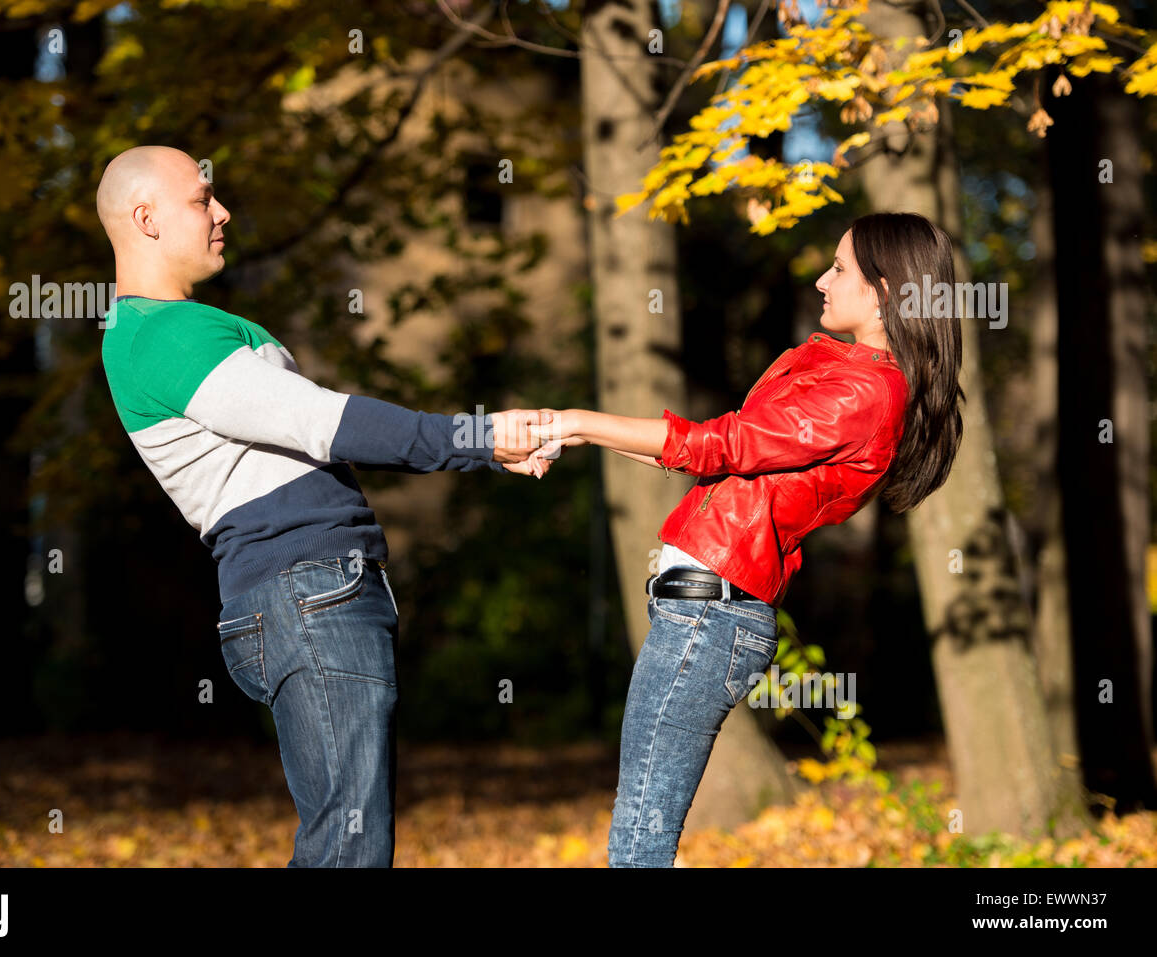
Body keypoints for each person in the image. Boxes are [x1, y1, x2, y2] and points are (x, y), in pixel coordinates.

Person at [95, 145, 545, 867]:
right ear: (145, 218)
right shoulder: (160, 333)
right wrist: (479, 437)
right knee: (349, 847)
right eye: (201, 199)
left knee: (347, 839)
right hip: (307, 591)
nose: (222, 212)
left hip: (310, 592)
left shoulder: (178, 328)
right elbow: (325, 422)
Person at [531, 212, 965, 867]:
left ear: (883, 290)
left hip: (709, 616)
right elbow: (714, 452)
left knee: (639, 848)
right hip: (701, 612)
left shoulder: (864, 391)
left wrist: (577, 419)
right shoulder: (844, 375)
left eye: (839, 268)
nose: (821, 279)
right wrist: (577, 433)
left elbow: (718, 443)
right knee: (645, 845)